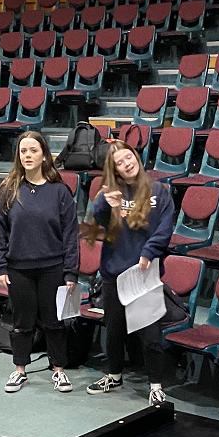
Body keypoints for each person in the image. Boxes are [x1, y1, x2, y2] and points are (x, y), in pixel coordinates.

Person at [82, 140, 174, 405]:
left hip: (144, 274)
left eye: (128, 158)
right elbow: (96, 225)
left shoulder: (159, 191)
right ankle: (114, 374)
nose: (126, 164)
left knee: (150, 333)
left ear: (136, 157)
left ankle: (155, 384)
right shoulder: (110, 193)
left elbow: (165, 229)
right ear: (116, 170)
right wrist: (103, 203)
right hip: (114, 273)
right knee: (113, 329)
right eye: (120, 163)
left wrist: (148, 252)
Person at [0, 132, 80, 394]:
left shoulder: (60, 191)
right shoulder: (8, 191)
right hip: (19, 269)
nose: (27, 156)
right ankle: (20, 369)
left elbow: (70, 235)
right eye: (23, 151)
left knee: (54, 322)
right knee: (22, 323)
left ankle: (59, 370)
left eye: (33, 151)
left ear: (44, 155)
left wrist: (71, 272)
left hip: (53, 268)